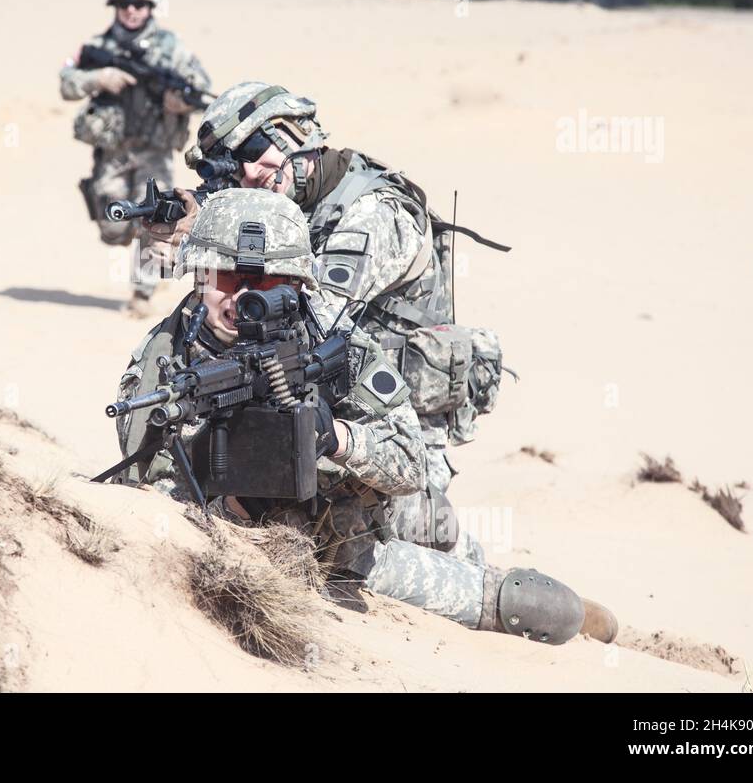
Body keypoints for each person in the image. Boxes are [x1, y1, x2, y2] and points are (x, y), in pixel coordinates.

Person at [116, 187, 617, 644]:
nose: (243, 298)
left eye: (266, 281)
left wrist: (336, 437)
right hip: (328, 553)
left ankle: (459, 545)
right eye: (226, 277)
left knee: (433, 514)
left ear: (296, 285)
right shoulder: (164, 364)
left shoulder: (335, 340)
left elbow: (409, 461)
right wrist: (234, 501)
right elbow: (150, 497)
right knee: (538, 610)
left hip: (359, 511)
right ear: (199, 273)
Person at [144, 82, 505, 563]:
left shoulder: (373, 213)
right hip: (301, 398)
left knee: (379, 540)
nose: (251, 171)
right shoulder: (292, 204)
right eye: (235, 165)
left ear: (297, 135)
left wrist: (211, 230)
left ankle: (475, 571)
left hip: (391, 426)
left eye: (255, 149)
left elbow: (316, 307)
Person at [59, 0, 211, 318]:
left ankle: (142, 292)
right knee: (112, 229)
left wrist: (181, 101)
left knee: (155, 218)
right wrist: (99, 78)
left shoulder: (171, 48)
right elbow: (67, 81)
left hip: (154, 152)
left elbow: (199, 85)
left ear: (151, 6)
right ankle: (130, 241)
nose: (131, 10)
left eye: (139, 3)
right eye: (124, 3)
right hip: (112, 151)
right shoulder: (97, 46)